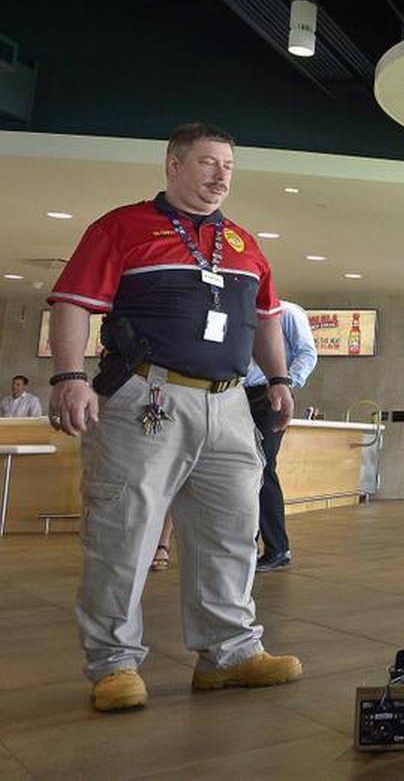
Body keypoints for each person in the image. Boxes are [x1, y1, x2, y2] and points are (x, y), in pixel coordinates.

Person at [47, 122, 303, 713]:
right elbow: (72, 304)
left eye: (229, 167)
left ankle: (228, 654)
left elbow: (266, 318)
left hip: (232, 403)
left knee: (233, 532)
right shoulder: (121, 228)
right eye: (208, 163)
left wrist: (281, 379)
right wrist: (70, 377)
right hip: (147, 398)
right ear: (174, 165)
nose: (220, 176)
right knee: (124, 532)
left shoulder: (243, 243)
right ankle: (113, 663)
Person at [245, 299, 318, 571]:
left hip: (269, 395)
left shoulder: (286, 312)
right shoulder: (235, 308)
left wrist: (285, 385)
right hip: (236, 394)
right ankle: (246, 546)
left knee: (262, 467)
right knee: (241, 469)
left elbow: (307, 353)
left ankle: (277, 548)